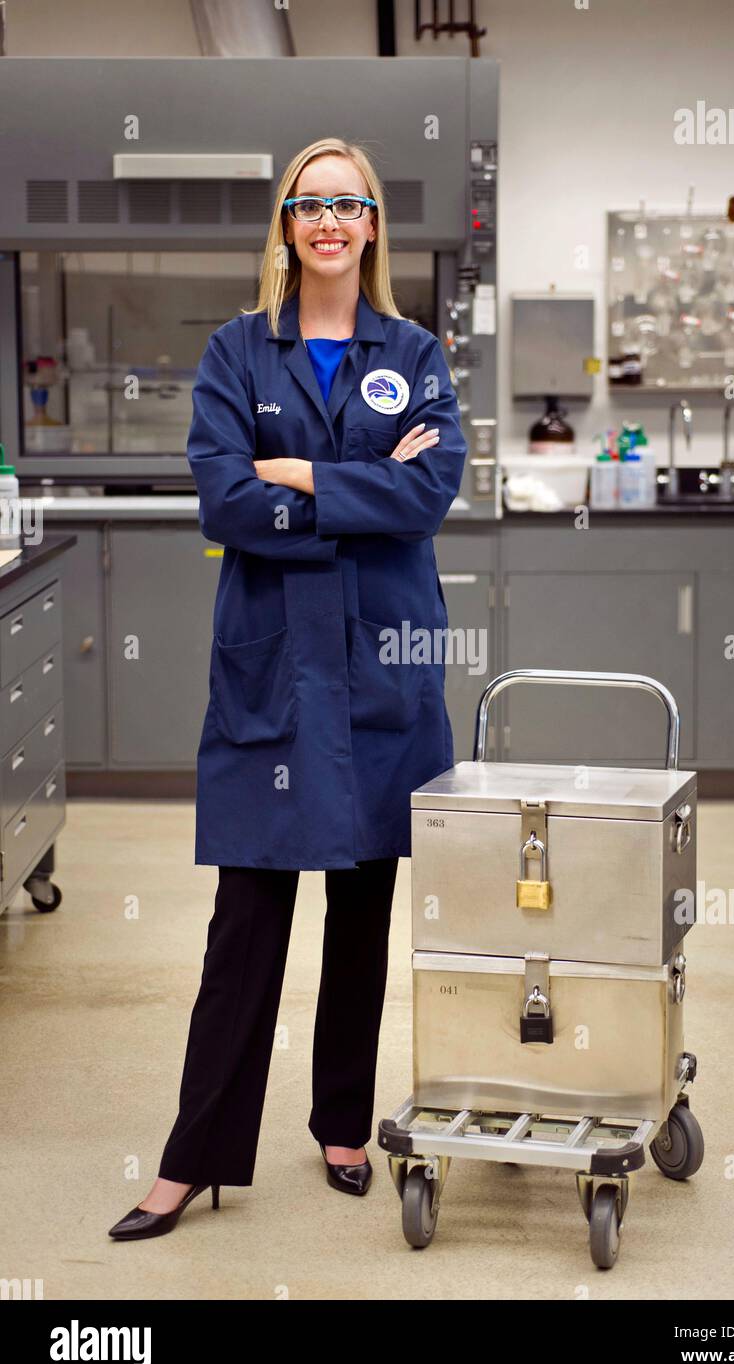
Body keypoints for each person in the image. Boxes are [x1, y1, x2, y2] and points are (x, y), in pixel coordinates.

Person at [108, 136, 466, 1239]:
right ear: (286, 224)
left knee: (360, 913)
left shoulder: (414, 347)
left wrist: (304, 475)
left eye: (346, 203)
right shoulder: (234, 352)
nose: (326, 220)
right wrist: (362, 490)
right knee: (246, 922)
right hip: (272, 669)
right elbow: (220, 500)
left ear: (369, 226)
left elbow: (432, 492)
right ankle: (192, 1157)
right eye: (307, 203)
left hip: (378, 671)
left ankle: (342, 1125)